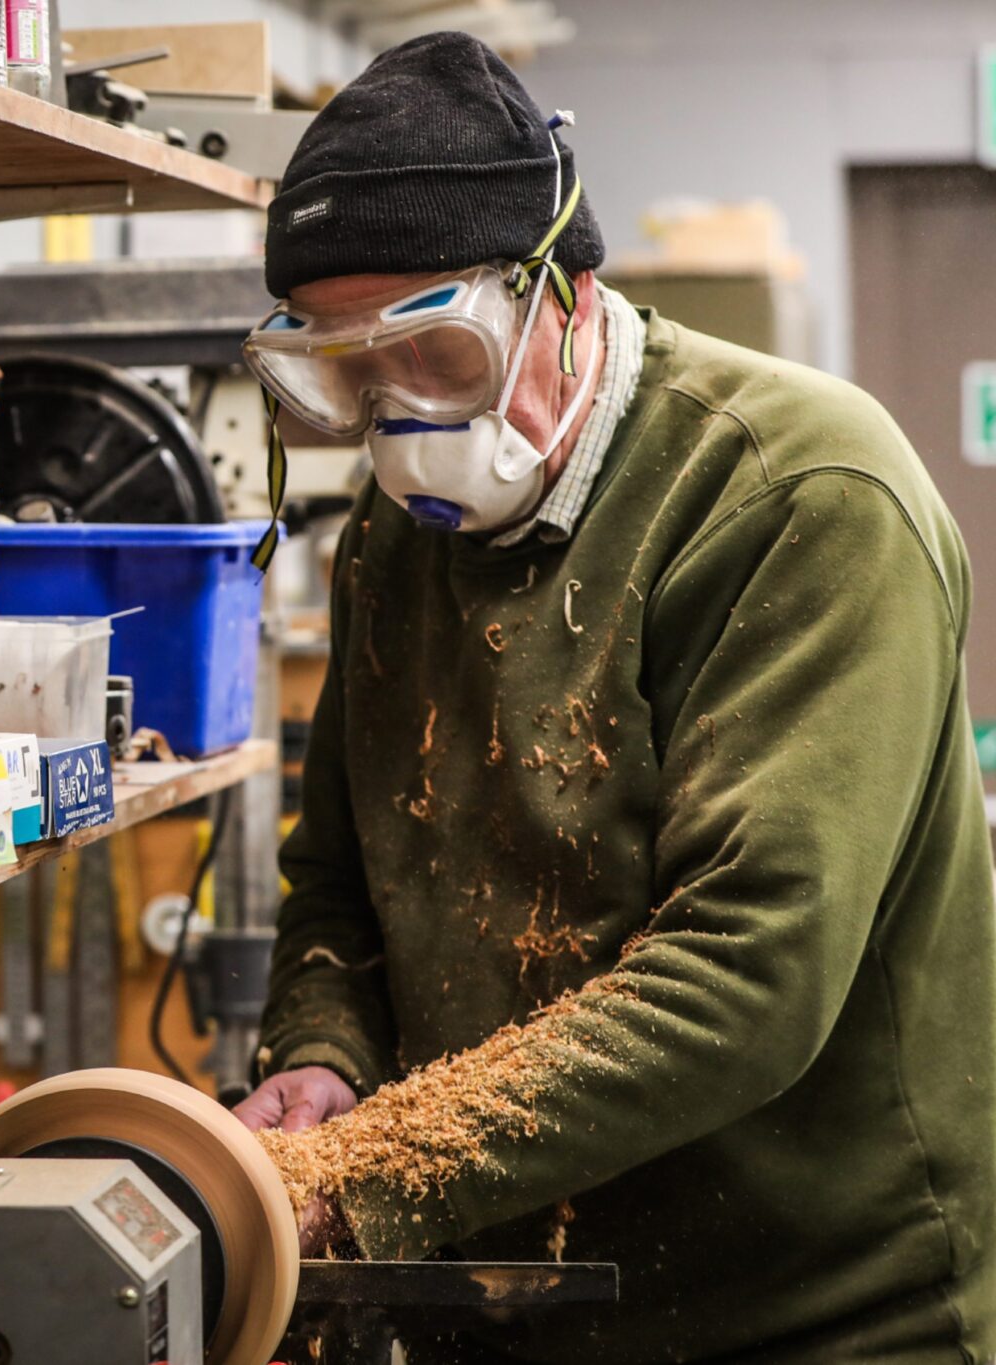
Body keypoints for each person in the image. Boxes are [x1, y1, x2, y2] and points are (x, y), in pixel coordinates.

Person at [231, 30, 995, 1364]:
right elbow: (341, 886)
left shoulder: (797, 495)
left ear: (564, 296)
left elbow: (747, 973)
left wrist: (359, 1177)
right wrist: (320, 1058)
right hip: (520, 1303)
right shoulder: (389, 538)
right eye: (345, 376)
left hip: (819, 1315)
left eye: (440, 358)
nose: (400, 421)